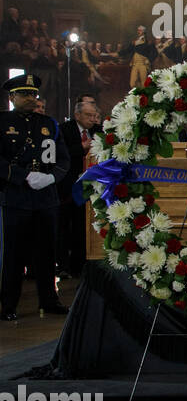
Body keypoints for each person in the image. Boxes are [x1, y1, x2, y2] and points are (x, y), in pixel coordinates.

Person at [1, 74, 71, 321]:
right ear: (12, 97)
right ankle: (8, 304)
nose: (31, 98)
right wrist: (21, 176)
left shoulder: (49, 124)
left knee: (46, 253)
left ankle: (49, 300)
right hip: (17, 197)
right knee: (14, 254)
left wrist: (51, 178)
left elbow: (62, 158)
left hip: (45, 197)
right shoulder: (3, 122)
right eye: (25, 94)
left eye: (33, 94)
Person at [57, 98, 100, 277]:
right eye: (88, 115)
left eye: (94, 116)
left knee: (83, 227)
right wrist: (81, 147)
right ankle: (63, 265)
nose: (92, 119)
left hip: (90, 188)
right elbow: (60, 154)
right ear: (77, 115)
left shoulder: (98, 131)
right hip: (67, 187)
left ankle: (82, 264)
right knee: (65, 227)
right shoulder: (64, 129)